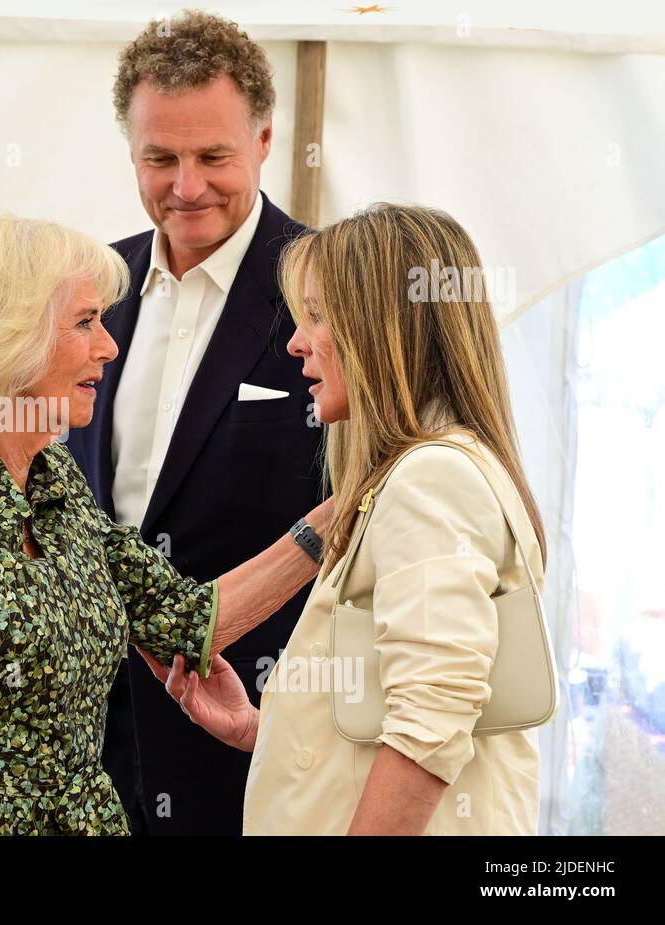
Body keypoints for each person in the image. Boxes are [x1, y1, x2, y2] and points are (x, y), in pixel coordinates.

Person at [0, 215, 332, 835]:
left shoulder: (54, 478)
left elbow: (184, 620)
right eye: (83, 323)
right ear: (5, 337)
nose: (109, 346)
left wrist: (336, 517)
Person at [144, 203, 549, 834]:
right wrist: (262, 728)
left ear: (381, 327)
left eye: (316, 316)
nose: (295, 342)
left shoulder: (430, 480)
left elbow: (431, 721)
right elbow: (397, 711)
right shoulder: (429, 471)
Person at [65, 10, 323, 835]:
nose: (185, 187)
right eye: (159, 158)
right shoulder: (89, 285)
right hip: (89, 744)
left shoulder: (328, 290)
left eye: (213, 157)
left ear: (265, 141)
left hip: (256, 736)